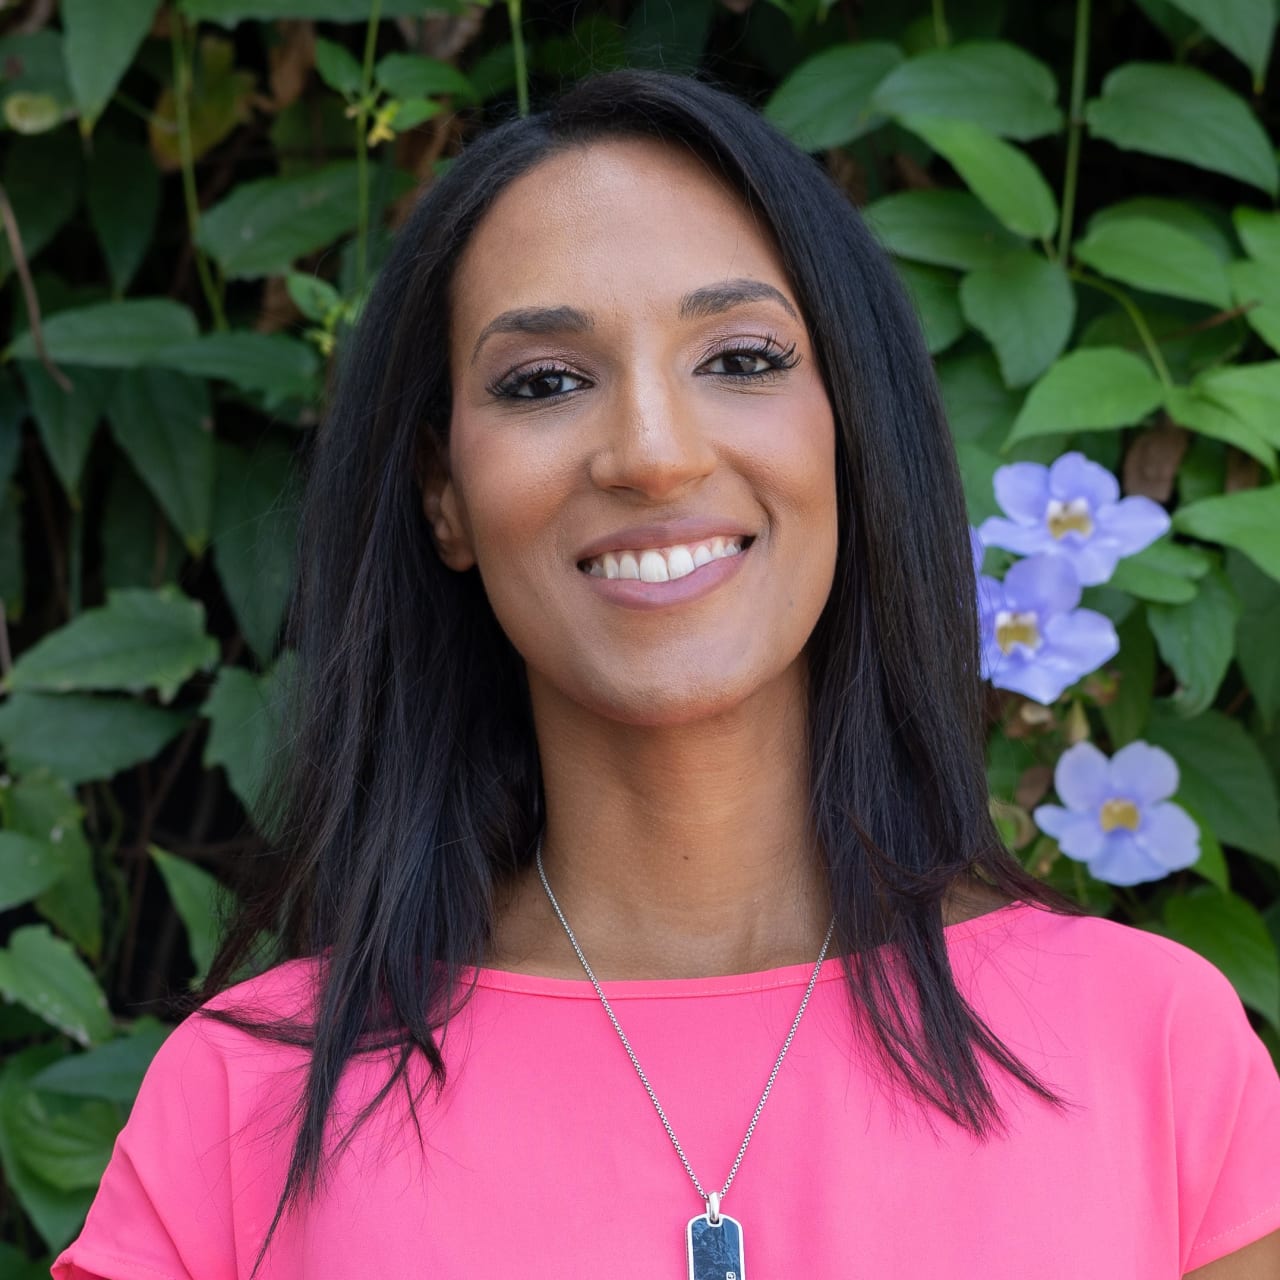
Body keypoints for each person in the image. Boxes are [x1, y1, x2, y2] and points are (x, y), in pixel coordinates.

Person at [53, 68, 1280, 1280]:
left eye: (740, 358)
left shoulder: (1151, 1050)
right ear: (446, 496)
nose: (649, 452)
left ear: (849, 430)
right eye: (543, 381)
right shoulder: (244, 1104)